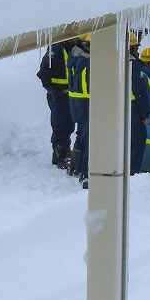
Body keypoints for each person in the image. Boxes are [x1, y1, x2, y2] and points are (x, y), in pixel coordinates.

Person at [36, 38, 75, 170]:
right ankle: (60, 154)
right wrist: (54, 90)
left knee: (68, 124)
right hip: (58, 94)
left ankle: (63, 152)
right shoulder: (56, 49)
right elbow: (43, 73)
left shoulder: (71, 47)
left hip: (68, 94)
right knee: (60, 125)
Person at [66, 34, 93, 188]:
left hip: (76, 102)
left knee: (81, 134)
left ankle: (75, 167)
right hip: (87, 103)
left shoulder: (75, 57)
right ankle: (84, 172)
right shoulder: (87, 61)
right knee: (89, 138)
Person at [129, 41, 150, 176]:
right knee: (138, 143)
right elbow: (147, 97)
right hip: (144, 114)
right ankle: (134, 172)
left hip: (139, 112)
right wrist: (149, 115)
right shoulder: (144, 75)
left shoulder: (141, 71)